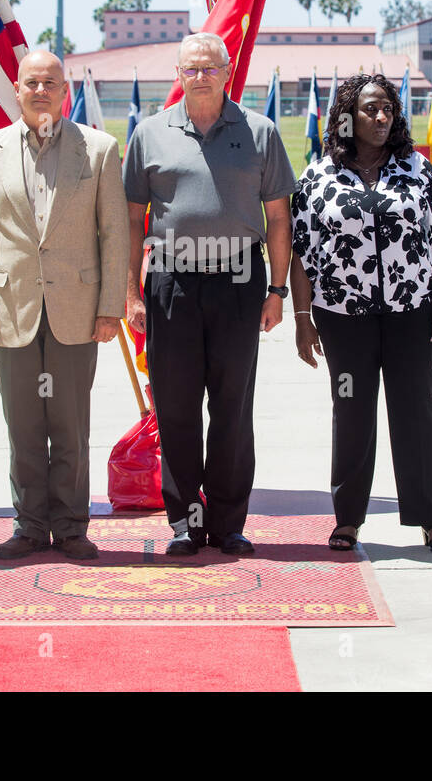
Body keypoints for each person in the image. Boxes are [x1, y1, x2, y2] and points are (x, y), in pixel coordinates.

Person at [123, 32, 296, 557]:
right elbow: (133, 221)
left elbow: (279, 219)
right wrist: (132, 294)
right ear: (178, 73)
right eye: (191, 68)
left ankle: (227, 523)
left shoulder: (260, 132)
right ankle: (185, 522)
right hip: (172, 282)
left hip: (240, 281)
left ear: (227, 71)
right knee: (175, 406)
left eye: (210, 68)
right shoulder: (149, 134)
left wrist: (277, 290)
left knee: (232, 405)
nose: (201, 76)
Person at [0, 51, 128, 560]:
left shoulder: (98, 149)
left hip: (77, 309)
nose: (40, 91)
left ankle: (72, 527)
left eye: (50, 83)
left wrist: (109, 307)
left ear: (64, 91)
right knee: (24, 426)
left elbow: (114, 231)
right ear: (17, 89)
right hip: (12, 310)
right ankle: (30, 525)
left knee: (71, 426)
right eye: (31, 82)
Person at [288, 73, 432, 553]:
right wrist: (303, 319)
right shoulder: (318, 177)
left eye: (387, 108)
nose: (381, 117)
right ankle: (347, 520)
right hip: (343, 317)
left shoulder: (418, 170)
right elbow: (302, 254)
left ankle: (430, 519)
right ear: (347, 116)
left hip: (412, 313)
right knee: (353, 412)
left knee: (417, 412)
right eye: (369, 109)